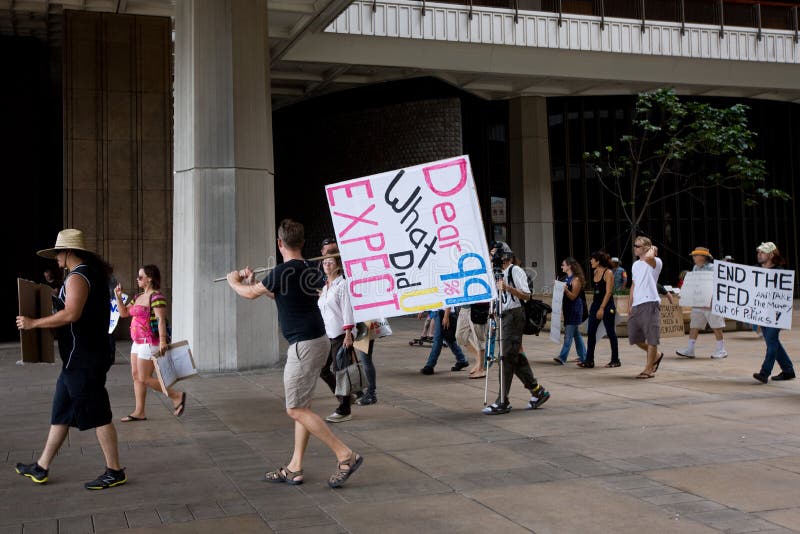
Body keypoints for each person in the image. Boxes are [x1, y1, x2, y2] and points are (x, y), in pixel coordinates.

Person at [226, 219, 362, 488]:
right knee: (304, 406)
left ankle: (345, 455)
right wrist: (261, 285)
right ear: (302, 242)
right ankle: (294, 468)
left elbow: (249, 294)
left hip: (303, 346)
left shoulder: (281, 271)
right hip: (319, 341)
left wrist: (234, 281)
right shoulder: (309, 269)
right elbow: (284, 296)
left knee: (295, 409)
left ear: (280, 244)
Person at [15, 228, 127, 490]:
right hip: (80, 359)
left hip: (83, 359)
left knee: (99, 414)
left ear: (68, 252)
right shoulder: (92, 274)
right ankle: (41, 467)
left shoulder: (78, 277)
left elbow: (71, 314)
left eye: (57, 253)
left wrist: (34, 323)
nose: (55, 258)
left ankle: (114, 471)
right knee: (61, 413)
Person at [482, 241, 550, 415]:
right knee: (514, 356)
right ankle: (537, 390)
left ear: (502, 256)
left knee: (505, 358)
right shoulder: (498, 273)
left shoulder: (514, 270)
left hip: (515, 315)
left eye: (492, 254)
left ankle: (502, 400)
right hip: (504, 316)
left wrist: (507, 288)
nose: (490, 257)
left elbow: (527, 295)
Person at [114, 265, 186, 421]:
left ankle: (176, 396)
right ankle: (139, 412)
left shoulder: (156, 296)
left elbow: (160, 319)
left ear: (150, 278)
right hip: (137, 343)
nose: (137, 279)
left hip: (150, 341)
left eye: (140, 277)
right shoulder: (138, 296)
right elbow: (124, 313)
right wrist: (119, 297)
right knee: (136, 376)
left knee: (144, 377)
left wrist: (162, 340)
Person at [320, 238, 378, 406]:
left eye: (334, 250)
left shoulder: (353, 268)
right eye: (328, 251)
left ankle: (371, 392)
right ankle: (357, 391)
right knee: (347, 360)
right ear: (322, 253)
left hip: (363, 319)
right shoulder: (326, 271)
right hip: (344, 323)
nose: (331, 254)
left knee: (364, 358)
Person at [317, 252, 356, 423]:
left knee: (342, 372)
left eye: (330, 262)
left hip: (341, 335)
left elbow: (348, 310)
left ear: (338, 265)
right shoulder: (326, 286)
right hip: (328, 335)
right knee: (323, 370)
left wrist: (348, 334)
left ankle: (344, 408)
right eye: (324, 262)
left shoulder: (342, 285)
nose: (326, 265)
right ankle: (344, 397)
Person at [752, 242, 795, 384]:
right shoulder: (755, 270)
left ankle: (764, 373)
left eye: (762, 252)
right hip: (762, 312)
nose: (759, 255)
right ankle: (788, 371)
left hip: (775, 314)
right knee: (773, 342)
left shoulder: (780, 272)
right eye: (758, 252)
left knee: (771, 343)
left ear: (771, 255)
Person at [676, 247, 728, 359]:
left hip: (711, 302)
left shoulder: (713, 268)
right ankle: (690, 350)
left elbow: (718, 284)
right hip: (699, 302)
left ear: (703, 257)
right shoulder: (695, 268)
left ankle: (721, 349)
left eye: (696, 255)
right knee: (694, 325)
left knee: (716, 326)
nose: (693, 257)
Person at [628, 236, 664, 379]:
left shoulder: (656, 261)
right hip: (637, 304)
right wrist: (630, 304)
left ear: (646, 248)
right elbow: (634, 285)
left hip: (650, 302)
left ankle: (648, 369)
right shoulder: (635, 265)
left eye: (637, 246)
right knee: (635, 338)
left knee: (651, 338)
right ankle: (657, 355)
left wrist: (653, 249)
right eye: (635, 245)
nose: (635, 248)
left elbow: (649, 258)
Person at [585, 251, 620, 368]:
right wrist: (596, 307)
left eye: (592, 259)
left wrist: (602, 308)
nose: (590, 261)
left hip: (607, 306)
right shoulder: (595, 271)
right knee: (590, 332)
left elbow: (609, 292)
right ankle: (589, 360)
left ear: (598, 261)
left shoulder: (608, 273)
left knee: (611, 333)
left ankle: (615, 360)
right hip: (595, 305)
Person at [553, 257, 587, 366]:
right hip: (568, 308)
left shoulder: (576, 279)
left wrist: (565, 289)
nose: (562, 267)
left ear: (569, 266)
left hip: (575, 309)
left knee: (568, 334)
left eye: (563, 265)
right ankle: (584, 356)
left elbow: (573, 297)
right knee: (576, 335)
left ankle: (562, 357)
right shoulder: (566, 278)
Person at [419, 306, 469, 375]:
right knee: (448, 338)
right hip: (440, 312)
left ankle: (430, 366)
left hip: (442, 312)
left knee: (438, 340)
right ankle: (462, 360)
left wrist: (446, 316)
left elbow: (447, 298)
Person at [456, 303, 488, 379]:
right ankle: (478, 359)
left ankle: (481, 369)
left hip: (478, 307)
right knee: (460, 336)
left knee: (479, 339)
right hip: (464, 307)